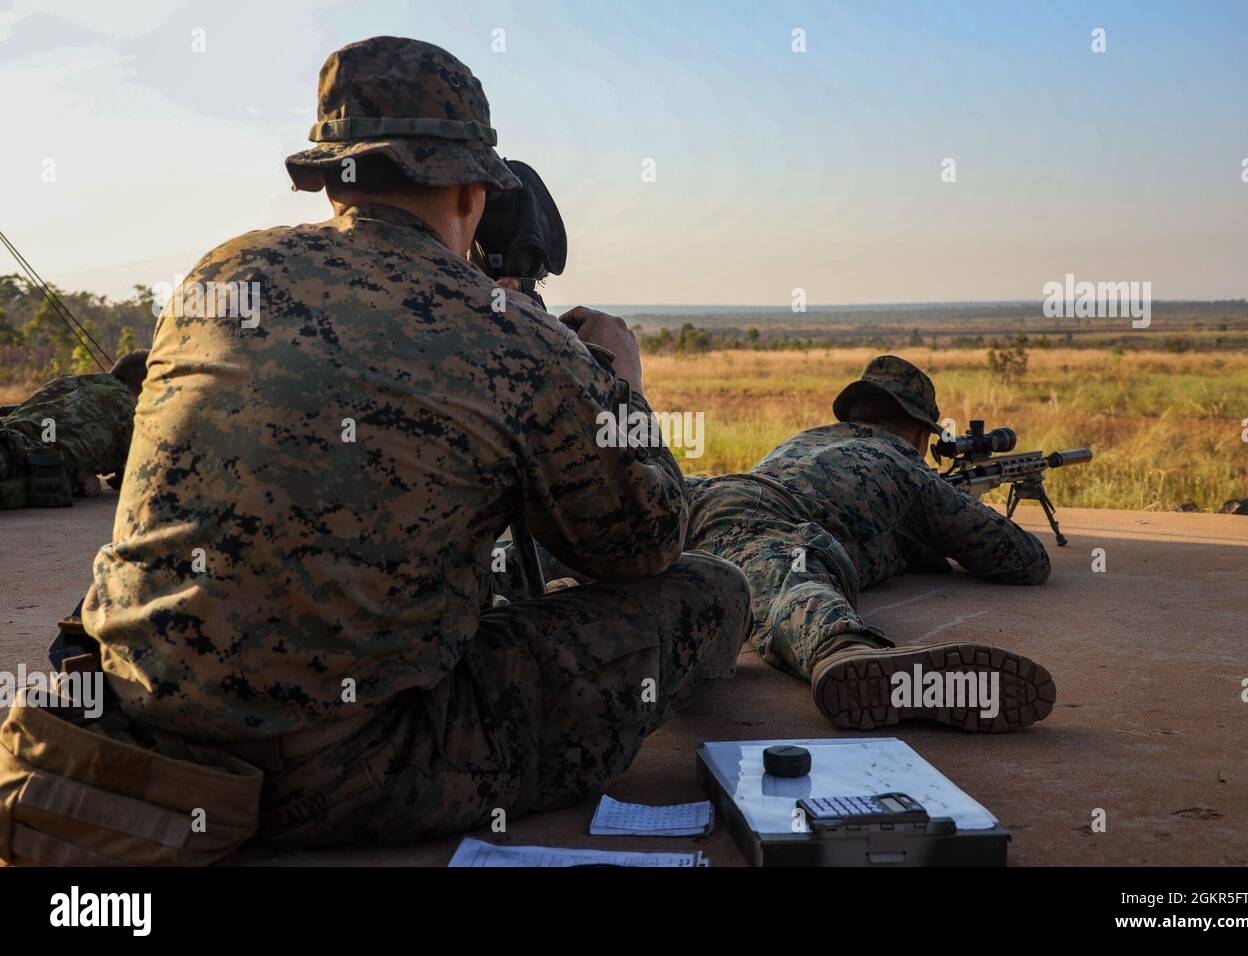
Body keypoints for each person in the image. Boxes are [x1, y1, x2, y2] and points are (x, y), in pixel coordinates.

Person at [79, 36, 751, 846]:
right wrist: (616, 383)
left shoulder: (219, 273)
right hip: (347, 769)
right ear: (471, 190)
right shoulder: (513, 340)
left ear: (330, 179)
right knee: (710, 591)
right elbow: (637, 547)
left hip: (139, 723)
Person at [686, 355, 1056, 733]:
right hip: (762, 522)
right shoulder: (905, 466)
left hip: (698, 494)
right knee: (787, 576)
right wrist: (956, 510)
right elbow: (1025, 560)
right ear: (918, 435)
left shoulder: (806, 438)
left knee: (663, 567)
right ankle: (846, 651)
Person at [0, 350, 147, 509]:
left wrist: (85, 473)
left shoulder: (66, 381)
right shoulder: (128, 407)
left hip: (7, 435)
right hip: (19, 459)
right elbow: (146, 475)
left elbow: (67, 429)